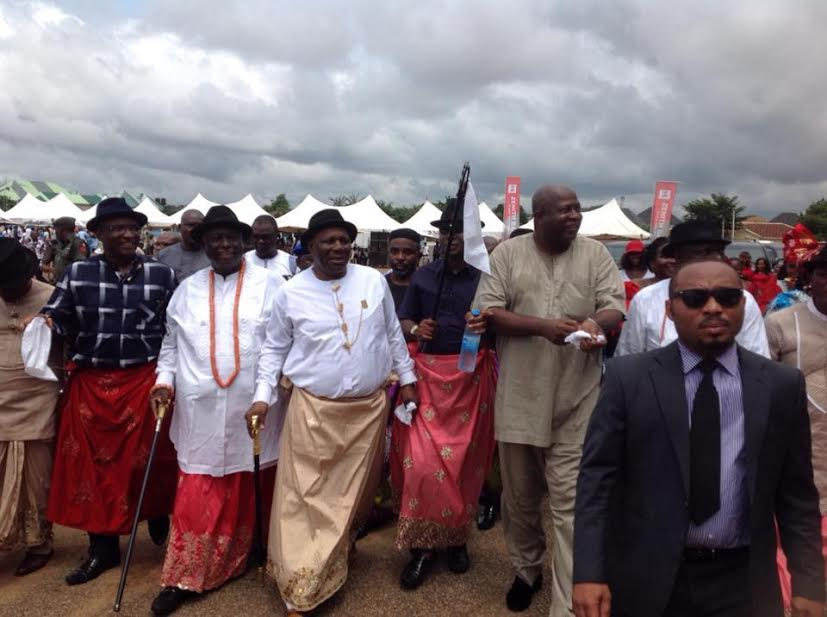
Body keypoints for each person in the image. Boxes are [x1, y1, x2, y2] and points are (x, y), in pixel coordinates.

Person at [573, 259, 825, 617]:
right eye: (694, 298)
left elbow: (797, 495)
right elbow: (597, 481)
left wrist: (810, 585)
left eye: (727, 297)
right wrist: (588, 572)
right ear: (669, 310)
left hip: (743, 581)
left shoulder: (780, 385)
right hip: (646, 574)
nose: (713, 307)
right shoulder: (628, 379)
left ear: (742, 305)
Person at [247, 209, 418, 616]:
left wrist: (408, 378)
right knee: (305, 497)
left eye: (344, 240)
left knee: (351, 497)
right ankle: (300, 587)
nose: (338, 247)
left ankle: (334, 557)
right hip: (312, 410)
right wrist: (260, 397)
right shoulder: (291, 293)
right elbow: (273, 351)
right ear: (311, 246)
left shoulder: (373, 281)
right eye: (328, 241)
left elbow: (393, 335)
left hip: (368, 412)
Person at [473, 184, 625, 615]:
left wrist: (597, 323)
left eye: (578, 208)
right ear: (539, 216)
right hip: (520, 398)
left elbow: (615, 305)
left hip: (578, 399)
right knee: (519, 501)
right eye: (565, 210)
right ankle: (526, 569)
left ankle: (567, 604)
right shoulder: (506, 255)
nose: (575, 215)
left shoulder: (595, 254)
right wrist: (541, 327)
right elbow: (488, 312)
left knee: (571, 506)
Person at [148, 206, 285, 615]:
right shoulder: (187, 289)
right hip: (199, 410)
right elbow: (170, 346)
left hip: (254, 408)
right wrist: (163, 383)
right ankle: (184, 574)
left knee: (251, 480)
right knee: (197, 486)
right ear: (203, 242)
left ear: (243, 241)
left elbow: (276, 349)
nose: (223, 244)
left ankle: (246, 555)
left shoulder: (273, 285)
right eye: (215, 238)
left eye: (230, 237)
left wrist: (263, 394)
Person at [38, 197, 178, 585]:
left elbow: (177, 329)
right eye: (117, 228)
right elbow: (56, 318)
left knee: (149, 462)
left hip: (143, 382)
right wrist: (44, 327)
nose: (129, 234)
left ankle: (156, 515)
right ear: (97, 234)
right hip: (91, 385)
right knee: (92, 471)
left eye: (133, 227)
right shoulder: (78, 274)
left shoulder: (162, 275)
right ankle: (102, 550)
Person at [392, 201, 495, 589]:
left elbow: (501, 322)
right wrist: (417, 329)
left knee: (464, 464)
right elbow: (403, 320)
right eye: (447, 230)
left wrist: (489, 321)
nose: (453, 237)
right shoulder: (423, 277)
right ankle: (421, 547)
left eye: (461, 230)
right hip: (428, 378)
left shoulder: (487, 278)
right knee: (421, 465)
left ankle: (455, 539)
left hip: (470, 378)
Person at [766, 245, 827, 608]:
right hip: (801, 453)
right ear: (811, 279)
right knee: (798, 535)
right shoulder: (781, 324)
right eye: (824, 274)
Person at [616, 220, 769, 357]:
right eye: (704, 252)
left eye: (719, 251)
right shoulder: (646, 299)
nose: (716, 258)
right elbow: (629, 357)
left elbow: (757, 361)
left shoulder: (742, 300)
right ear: (678, 257)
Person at [0, 240, 61, 575]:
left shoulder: (52, 297)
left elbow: (69, 347)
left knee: (36, 478)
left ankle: (39, 543)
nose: (8, 294)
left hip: (38, 399)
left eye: (12, 287)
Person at [158, 209, 209, 281]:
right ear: (179, 228)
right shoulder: (164, 255)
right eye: (191, 225)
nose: (196, 229)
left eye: (200, 226)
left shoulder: (213, 256)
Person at [244, 214, 293, 279]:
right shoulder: (243, 260)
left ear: (276, 236)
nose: (261, 241)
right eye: (256, 236)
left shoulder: (291, 262)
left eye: (266, 237)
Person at [386, 227, 421, 310]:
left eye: (408, 252)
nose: (400, 257)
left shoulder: (428, 287)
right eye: (394, 251)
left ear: (418, 255)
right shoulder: (379, 285)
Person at [45, 217, 87, 283]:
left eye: (56, 229)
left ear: (63, 230)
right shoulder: (55, 243)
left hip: (71, 285)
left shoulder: (78, 243)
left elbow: (80, 268)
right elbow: (44, 263)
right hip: (58, 282)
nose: (55, 232)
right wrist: (51, 269)